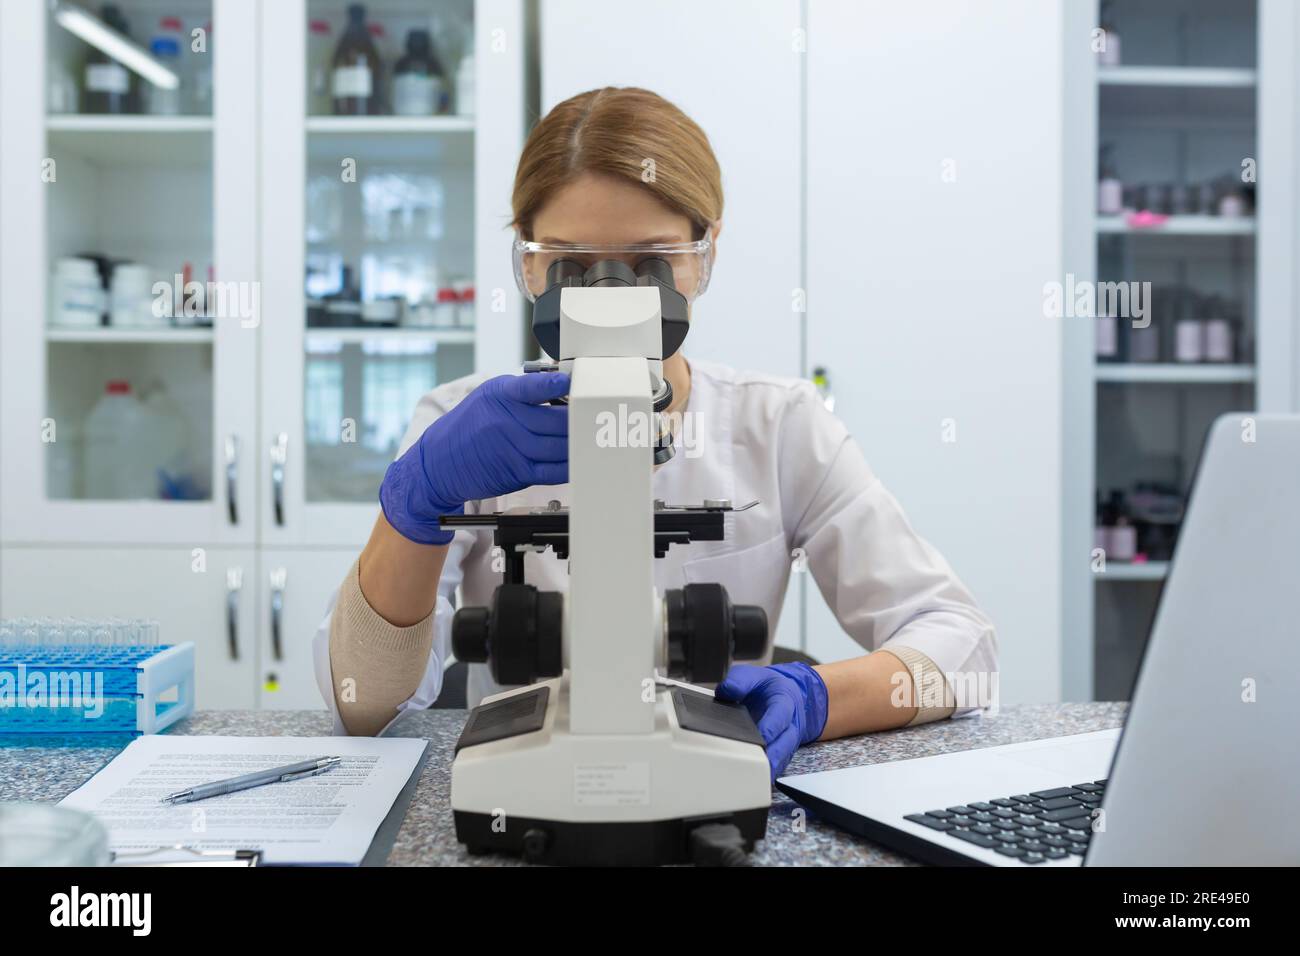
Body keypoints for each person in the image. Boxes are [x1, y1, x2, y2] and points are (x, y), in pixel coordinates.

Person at [313, 86, 997, 778]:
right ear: (527, 261)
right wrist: (417, 503)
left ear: (704, 254)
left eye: (651, 265)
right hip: (519, 783)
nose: (611, 296)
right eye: (572, 265)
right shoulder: (458, 427)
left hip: (712, 780)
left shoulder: (779, 426)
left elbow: (965, 651)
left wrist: (822, 698)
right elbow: (361, 705)